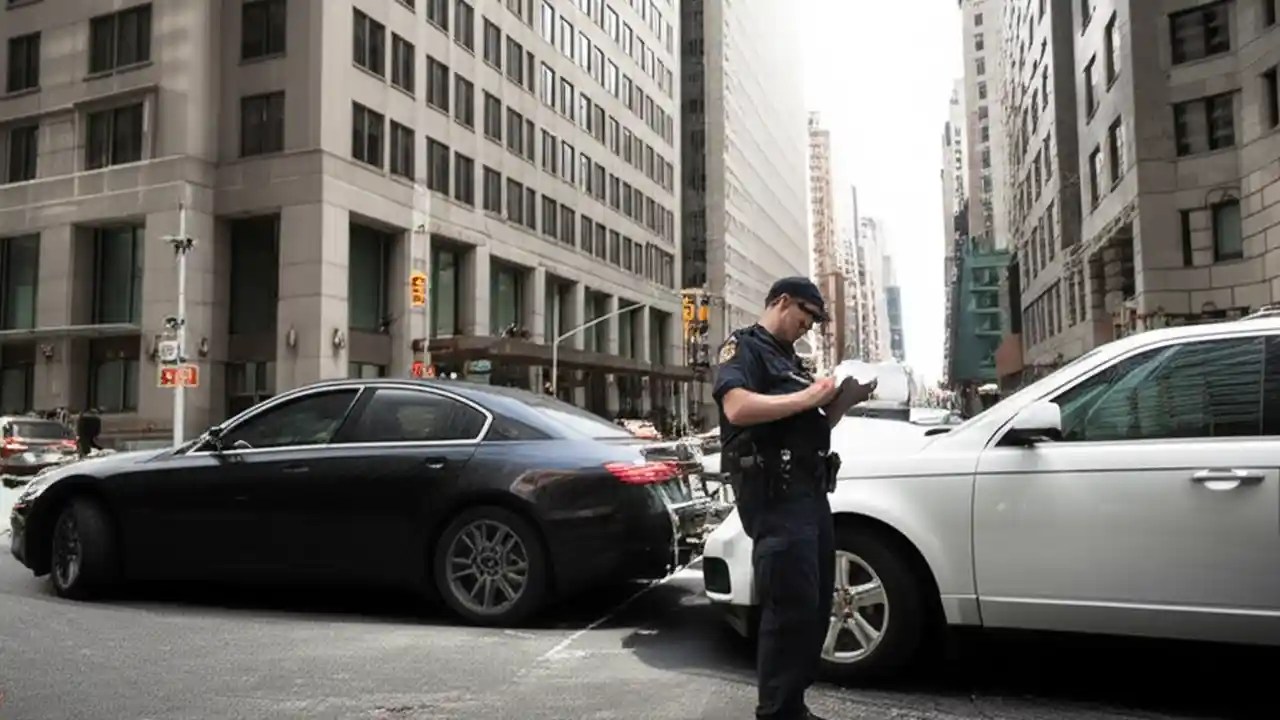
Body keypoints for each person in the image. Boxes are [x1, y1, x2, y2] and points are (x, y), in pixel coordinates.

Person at [713, 277, 875, 720]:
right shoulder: (742, 347)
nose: (810, 326)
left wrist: (840, 402)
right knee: (788, 609)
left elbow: (807, 422)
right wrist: (809, 396)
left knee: (813, 606)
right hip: (776, 497)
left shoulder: (790, 359)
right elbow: (738, 408)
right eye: (808, 315)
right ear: (783, 302)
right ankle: (777, 712)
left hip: (810, 495)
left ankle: (792, 706)